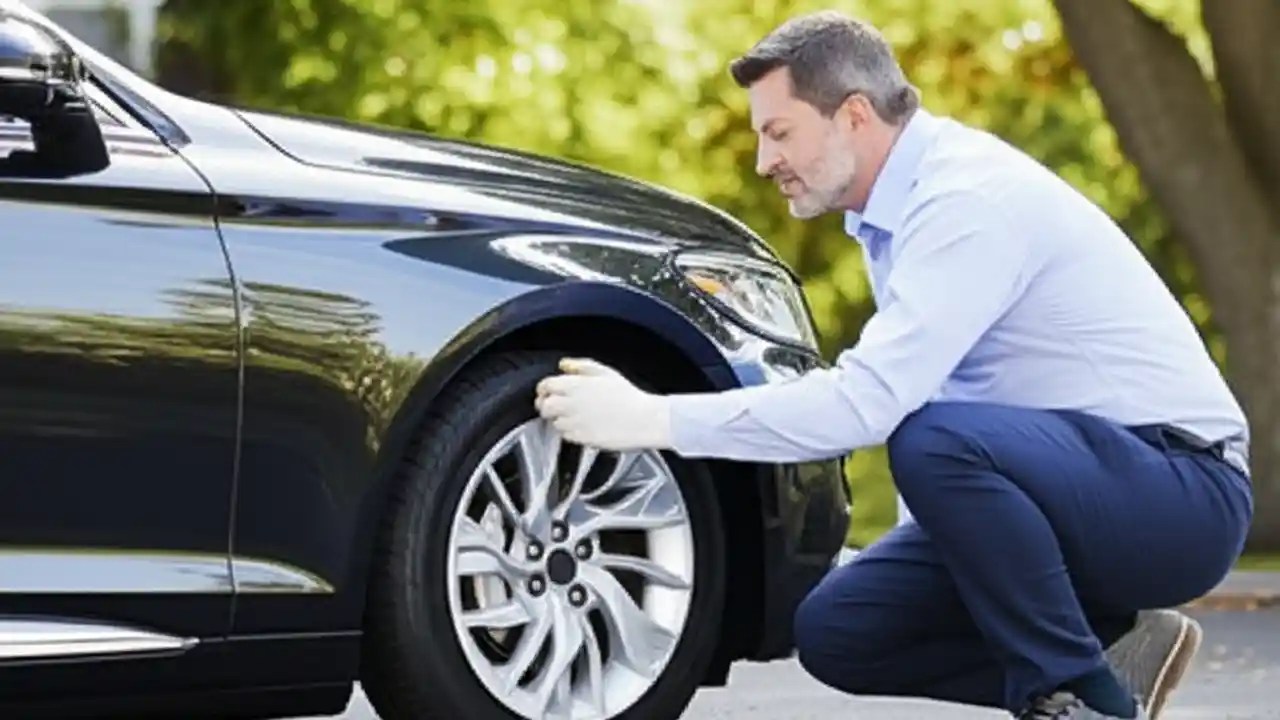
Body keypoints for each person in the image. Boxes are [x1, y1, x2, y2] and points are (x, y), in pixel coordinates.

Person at [535, 10, 1253, 720]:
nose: (764, 161)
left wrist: (653, 417)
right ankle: (1112, 649)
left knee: (932, 440)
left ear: (853, 115)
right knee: (839, 632)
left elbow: (872, 408)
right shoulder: (896, 216)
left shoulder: (962, 204)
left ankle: (1077, 698)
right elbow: (939, 404)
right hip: (1076, 491)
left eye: (779, 132)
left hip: (1181, 493)